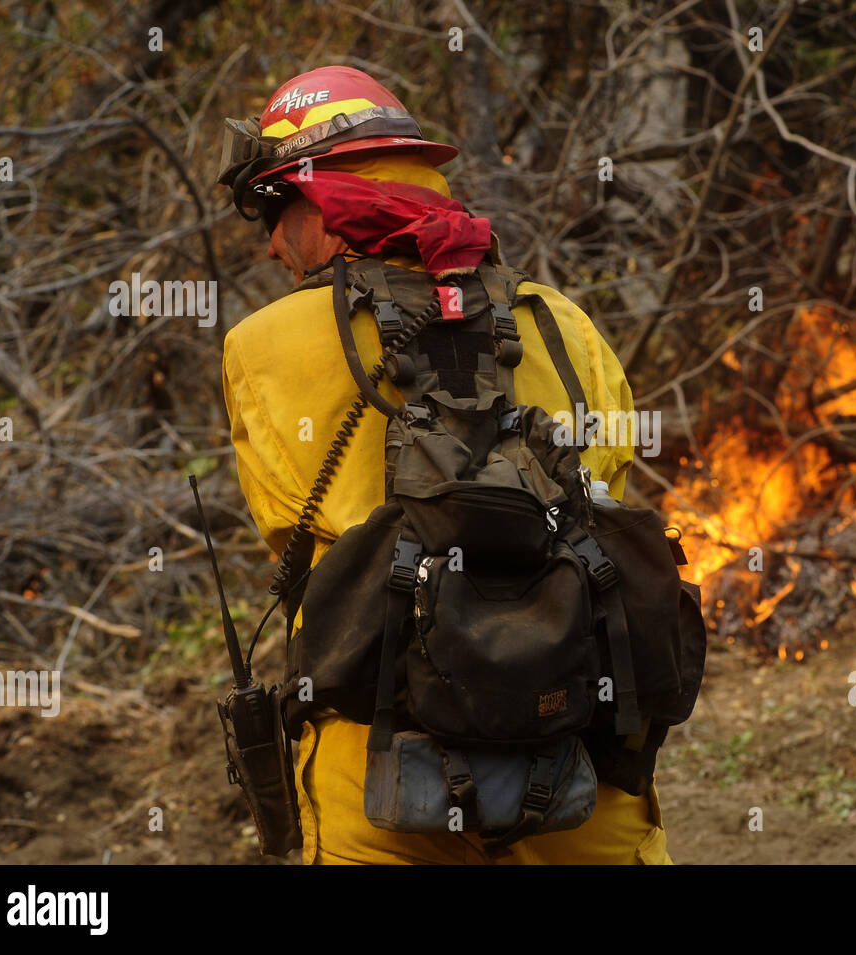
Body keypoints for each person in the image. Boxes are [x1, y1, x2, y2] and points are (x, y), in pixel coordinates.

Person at [217, 65, 671, 864]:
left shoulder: (262, 347)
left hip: (383, 778)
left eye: (277, 211)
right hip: (577, 763)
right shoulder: (563, 321)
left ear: (320, 204)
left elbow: (294, 546)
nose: (271, 242)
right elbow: (606, 502)